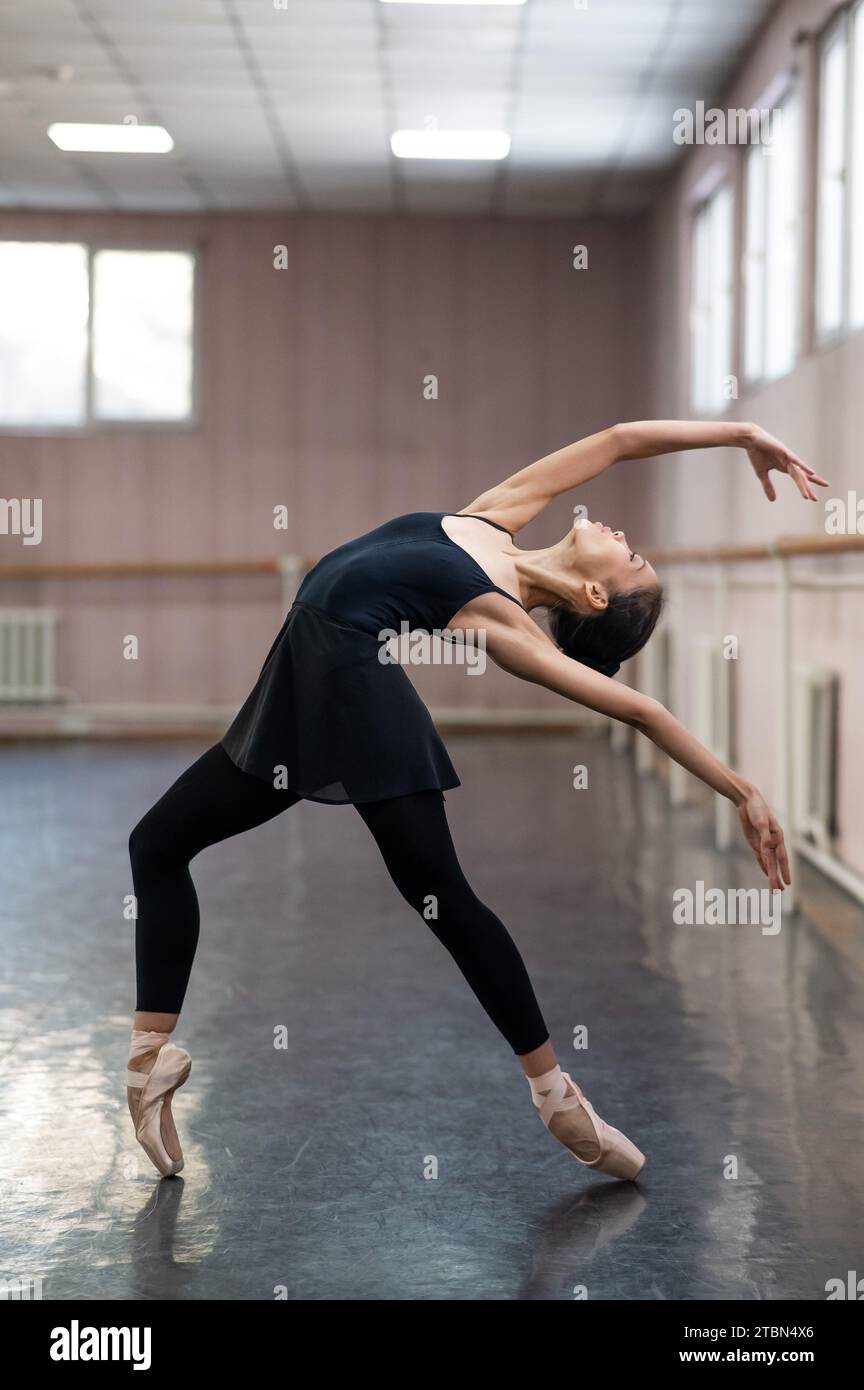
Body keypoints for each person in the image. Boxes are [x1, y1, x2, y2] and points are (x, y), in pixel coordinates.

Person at [127, 419, 824, 1181]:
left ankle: (557, 1095)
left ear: (594, 592)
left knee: (445, 900)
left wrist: (742, 790)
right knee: (157, 845)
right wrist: (740, 433)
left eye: (632, 558)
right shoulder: (492, 518)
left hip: (354, 695)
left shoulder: (501, 617)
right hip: (302, 683)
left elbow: (640, 711)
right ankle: (146, 1069)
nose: (625, 534)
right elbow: (621, 439)